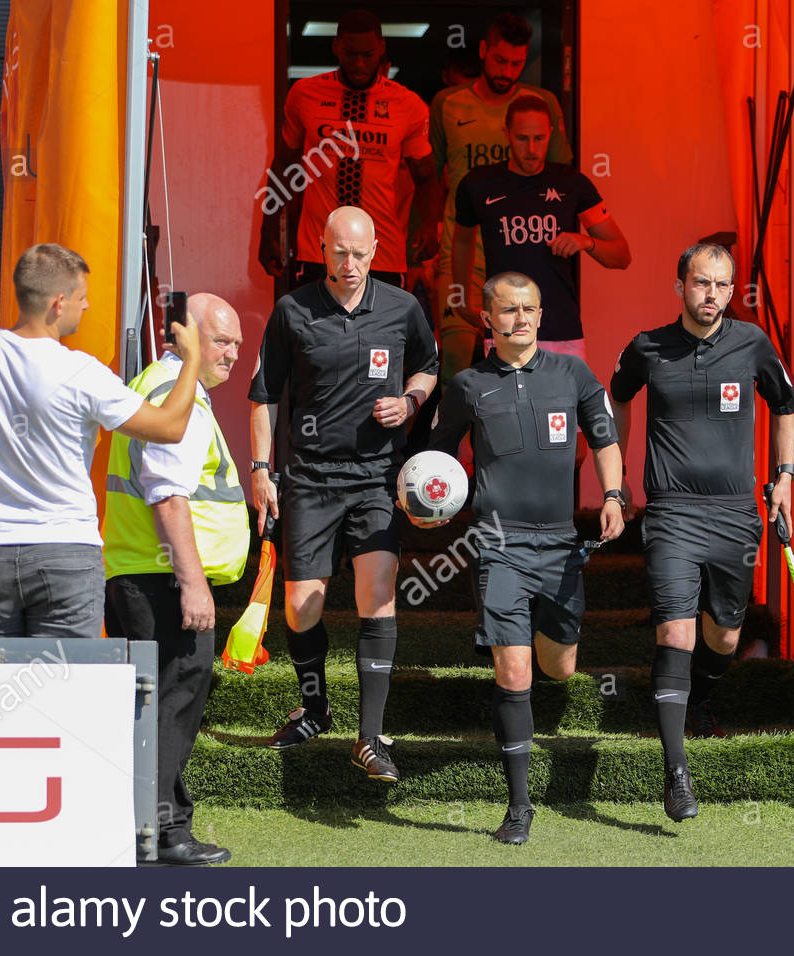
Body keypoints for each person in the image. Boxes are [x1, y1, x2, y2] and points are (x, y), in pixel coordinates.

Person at [410, 271, 625, 844]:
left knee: (561, 667)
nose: (522, 319)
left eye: (530, 308)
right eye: (509, 310)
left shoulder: (573, 374)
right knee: (514, 669)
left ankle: (542, 648)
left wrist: (612, 495)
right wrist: (421, 500)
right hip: (496, 543)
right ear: (488, 318)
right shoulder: (467, 385)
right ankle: (519, 807)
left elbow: (605, 439)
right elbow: (437, 458)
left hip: (559, 546)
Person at [609, 243, 794, 822]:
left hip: (736, 514)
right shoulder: (647, 346)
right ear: (680, 286)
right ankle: (676, 773)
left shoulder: (753, 344)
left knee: (724, 638)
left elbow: (786, 407)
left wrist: (784, 477)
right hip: (670, 512)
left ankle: (702, 697)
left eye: (722, 284)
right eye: (701, 283)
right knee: (676, 633)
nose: (711, 294)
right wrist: (618, 484)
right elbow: (616, 401)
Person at [249, 206, 438, 782]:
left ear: (376, 249)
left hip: (377, 476)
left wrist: (408, 402)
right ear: (321, 248)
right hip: (308, 476)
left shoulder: (404, 308)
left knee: (378, 597)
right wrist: (260, 468)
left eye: (359, 252)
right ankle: (314, 707)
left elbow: (430, 367)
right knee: (301, 606)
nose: (349, 263)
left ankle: (371, 737)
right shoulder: (292, 310)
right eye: (338, 251)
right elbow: (264, 395)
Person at [0, 243, 201, 638]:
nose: (87, 306)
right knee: (66, 690)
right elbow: (169, 427)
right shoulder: (81, 372)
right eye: (82, 297)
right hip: (66, 552)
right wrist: (191, 359)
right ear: (58, 303)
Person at [102, 293, 247, 866]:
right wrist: (193, 583)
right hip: (163, 579)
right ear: (185, 338)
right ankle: (155, 835)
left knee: (158, 705)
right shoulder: (174, 395)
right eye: (220, 340)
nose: (233, 352)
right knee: (172, 703)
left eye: (237, 341)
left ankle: (162, 827)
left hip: (143, 572)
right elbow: (168, 497)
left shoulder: (155, 386)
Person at [430, 13, 573, 383]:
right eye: (499, 60)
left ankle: (499, 442)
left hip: (519, 254)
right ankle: (448, 443)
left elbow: (563, 181)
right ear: (483, 51)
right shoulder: (448, 104)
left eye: (516, 63)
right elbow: (431, 178)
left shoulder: (541, 104)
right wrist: (424, 239)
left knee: (517, 363)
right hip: (461, 255)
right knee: (457, 359)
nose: (507, 71)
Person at [258, 8, 439, 288]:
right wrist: (269, 228)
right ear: (336, 47)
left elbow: (425, 175)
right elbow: (284, 165)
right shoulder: (305, 95)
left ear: (381, 49)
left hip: (382, 254)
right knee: (316, 333)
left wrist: (429, 227)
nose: (358, 64)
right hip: (319, 251)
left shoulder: (408, 104)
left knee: (380, 333)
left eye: (367, 55)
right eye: (350, 54)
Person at [452, 94, 630, 360]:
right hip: (504, 330)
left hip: (561, 331)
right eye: (522, 139)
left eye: (539, 139)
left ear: (550, 134)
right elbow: (462, 241)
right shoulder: (478, 184)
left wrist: (586, 242)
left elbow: (621, 255)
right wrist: (463, 299)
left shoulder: (571, 183)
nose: (532, 149)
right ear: (507, 134)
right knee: (505, 402)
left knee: (562, 403)